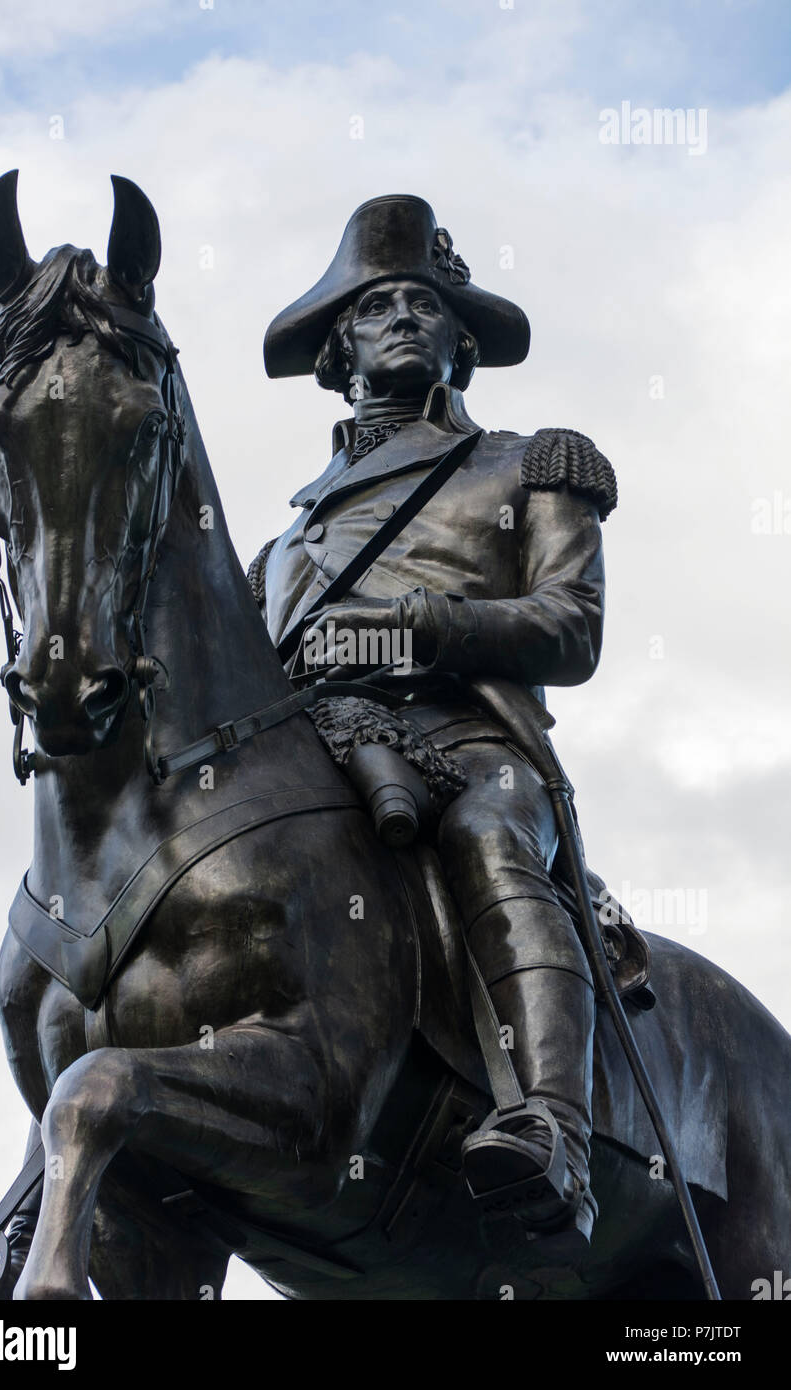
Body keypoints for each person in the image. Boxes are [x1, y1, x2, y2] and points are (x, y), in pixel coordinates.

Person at [252, 195, 619, 1251]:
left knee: (487, 838)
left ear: (462, 342)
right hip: (313, 760)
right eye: (378, 307)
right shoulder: (276, 549)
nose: (405, 317)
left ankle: (552, 1124)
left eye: (426, 304)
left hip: (469, 751)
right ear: (339, 349)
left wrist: (402, 629)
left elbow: (571, 628)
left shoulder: (529, 463)